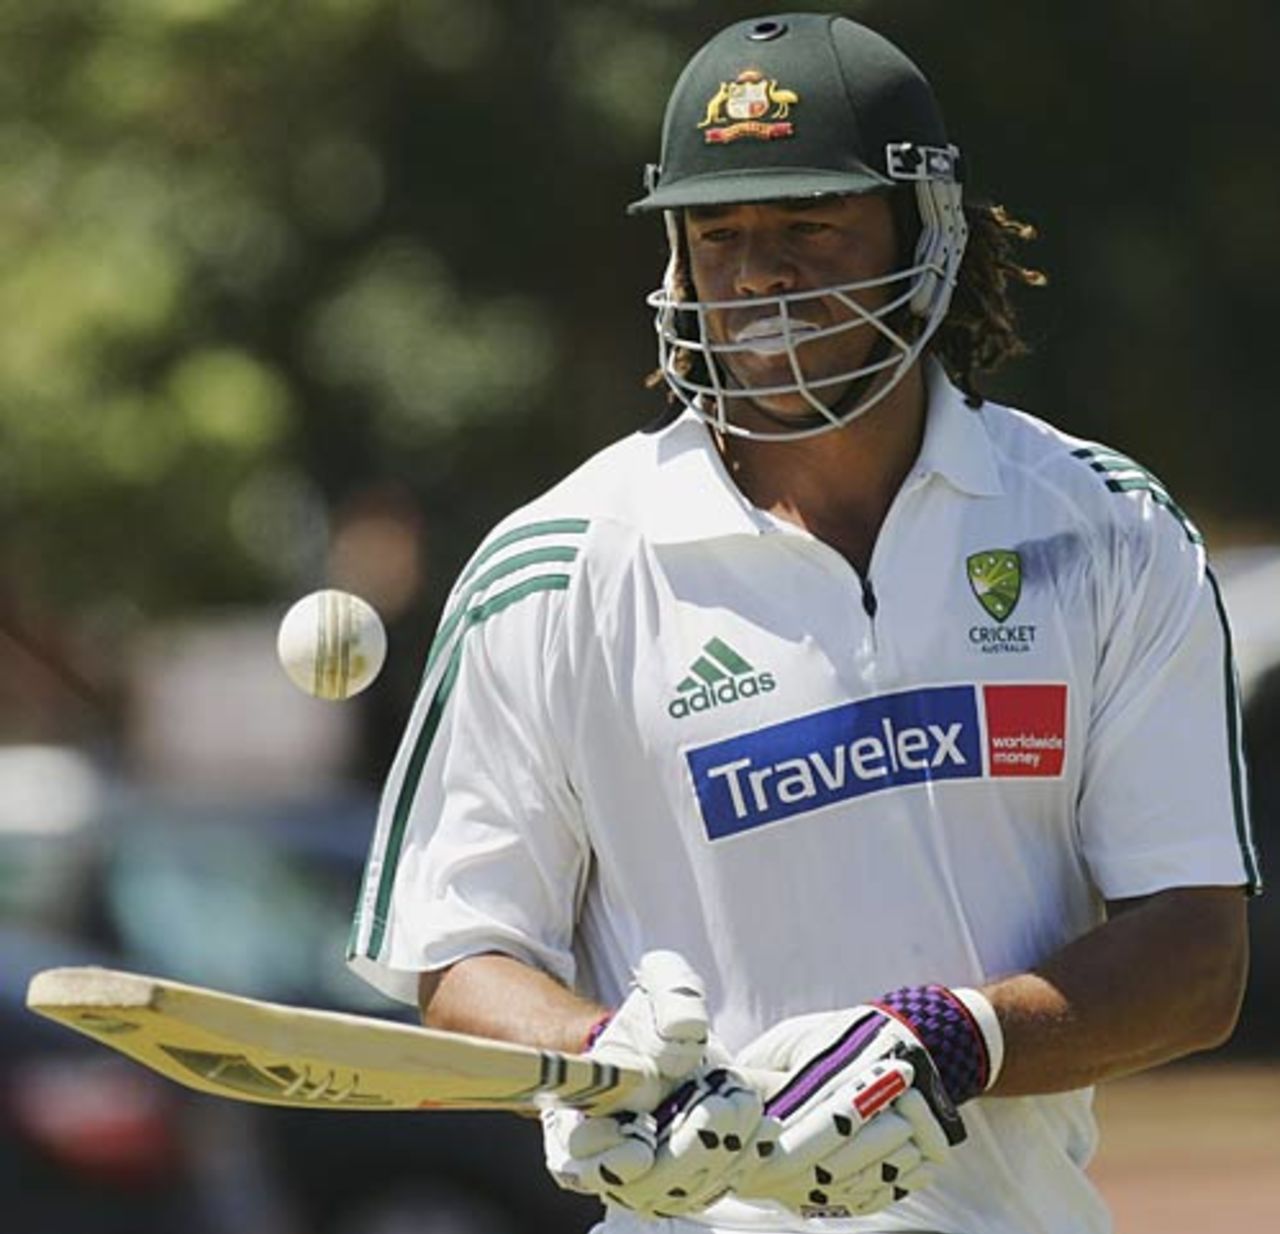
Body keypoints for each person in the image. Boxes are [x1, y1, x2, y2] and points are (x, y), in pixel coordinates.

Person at [348, 12, 1260, 1234]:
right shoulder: (555, 571)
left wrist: (949, 1041)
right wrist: (604, 1058)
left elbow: (1194, 954)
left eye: (807, 227)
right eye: (716, 236)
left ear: (927, 232)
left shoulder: (1105, 531)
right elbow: (458, 956)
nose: (757, 277)